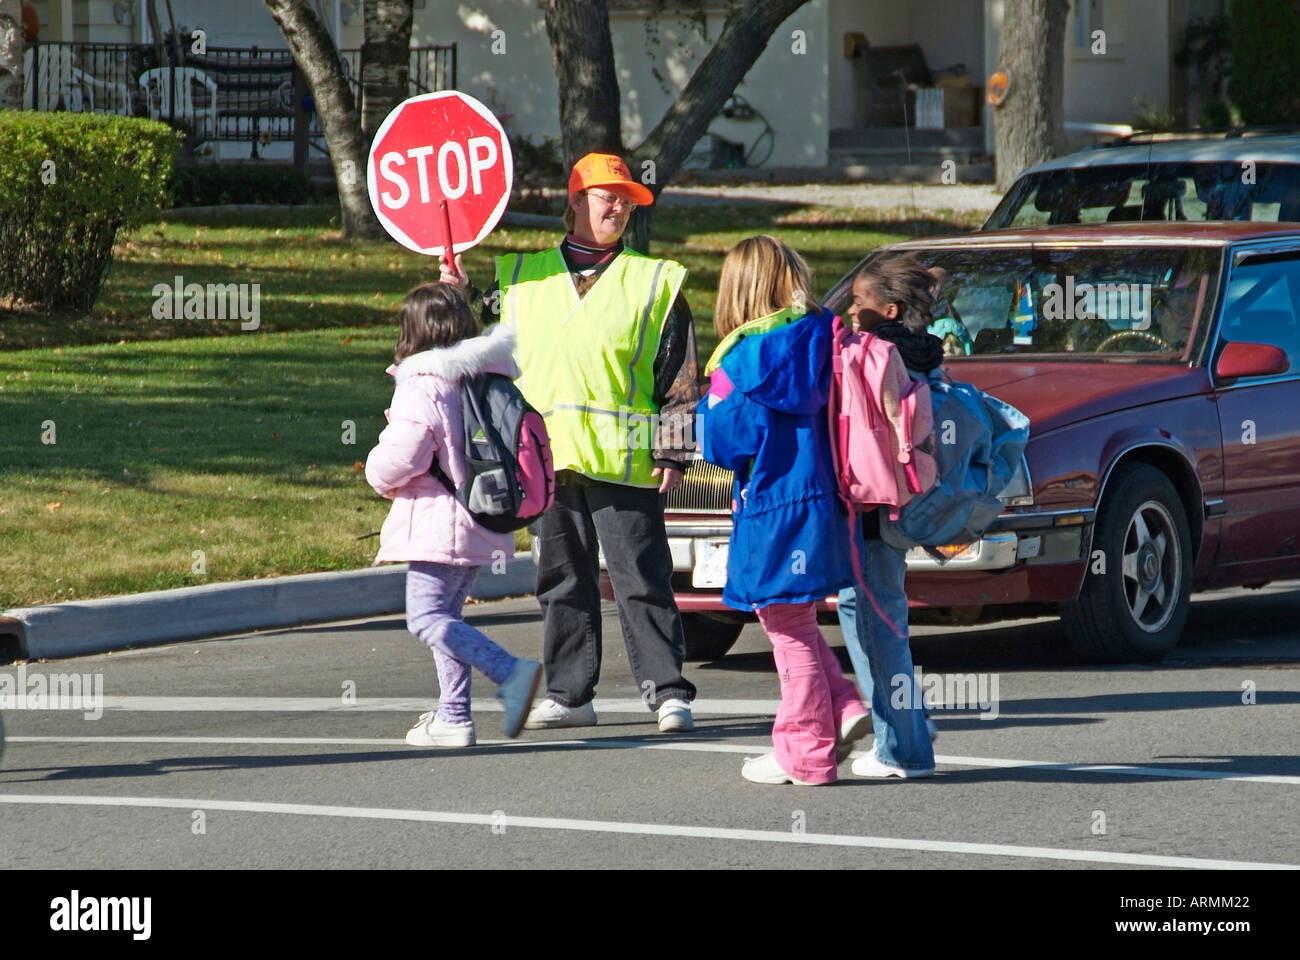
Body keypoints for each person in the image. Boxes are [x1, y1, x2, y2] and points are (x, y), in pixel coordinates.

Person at [440, 153, 698, 732]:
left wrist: (674, 447)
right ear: (575, 201)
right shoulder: (521, 276)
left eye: (628, 198)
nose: (621, 206)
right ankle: (570, 692)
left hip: (624, 455)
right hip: (544, 457)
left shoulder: (653, 281)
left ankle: (667, 692)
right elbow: (476, 341)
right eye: (609, 196)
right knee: (560, 578)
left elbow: (679, 370)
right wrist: (459, 294)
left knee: (641, 577)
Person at [696, 235, 871, 785]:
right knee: (798, 619)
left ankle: (805, 752)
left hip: (773, 510)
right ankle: (843, 704)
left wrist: (709, 402)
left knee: (785, 631)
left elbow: (725, 446)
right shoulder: (826, 338)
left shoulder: (740, 365)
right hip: (826, 503)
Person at [365, 283, 543, 746]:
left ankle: (511, 673)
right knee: (448, 618)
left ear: (412, 332)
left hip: (438, 523)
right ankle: (454, 716)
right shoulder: (486, 373)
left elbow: (406, 454)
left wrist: (375, 473)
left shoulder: (423, 383)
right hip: (481, 517)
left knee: (425, 619)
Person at [837, 253, 943, 778]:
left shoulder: (875, 354)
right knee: (873, 612)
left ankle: (903, 750)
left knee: (877, 621)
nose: (852, 311)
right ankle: (909, 726)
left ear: (892, 310)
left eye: (861, 303)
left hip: (873, 505)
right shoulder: (926, 355)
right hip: (903, 503)